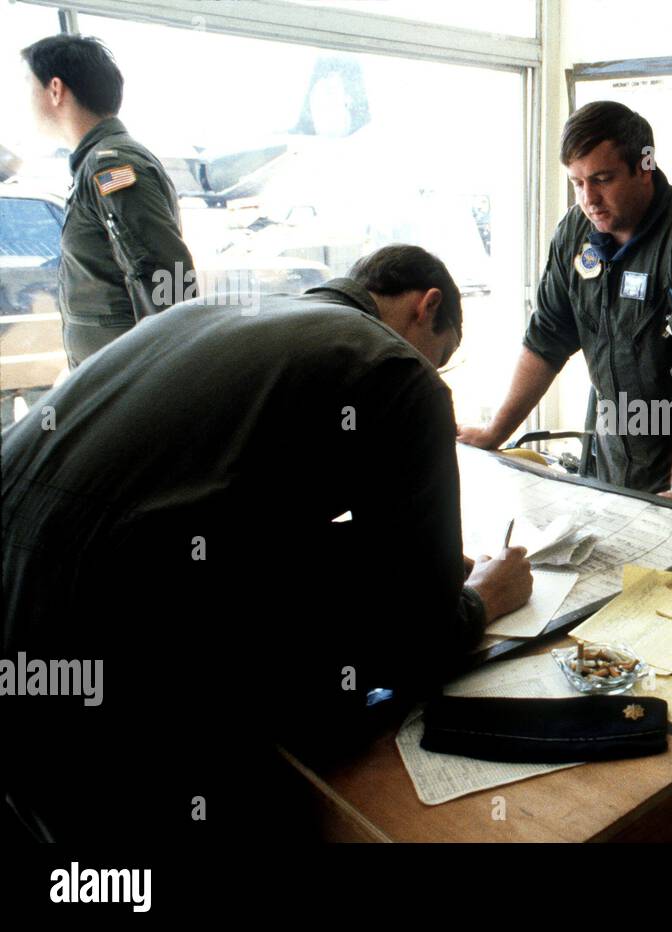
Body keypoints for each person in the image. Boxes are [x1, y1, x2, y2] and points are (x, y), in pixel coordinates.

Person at [1, 245, 533, 841]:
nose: (433, 372)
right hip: (110, 663)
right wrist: (482, 597)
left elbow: (226, 495)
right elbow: (418, 631)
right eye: (442, 357)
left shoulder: (212, 315)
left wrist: (399, 556)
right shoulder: (394, 369)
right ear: (426, 307)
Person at [457, 101, 672, 506]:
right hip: (614, 429)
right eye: (577, 183)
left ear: (644, 167)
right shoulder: (576, 231)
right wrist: (495, 432)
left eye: (603, 179)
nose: (588, 198)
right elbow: (547, 338)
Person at [21, 35, 195, 367]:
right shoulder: (96, 164)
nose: (26, 104)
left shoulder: (111, 165)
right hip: (110, 380)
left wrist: (167, 376)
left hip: (128, 386)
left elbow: (165, 273)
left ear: (55, 89)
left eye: (30, 88)